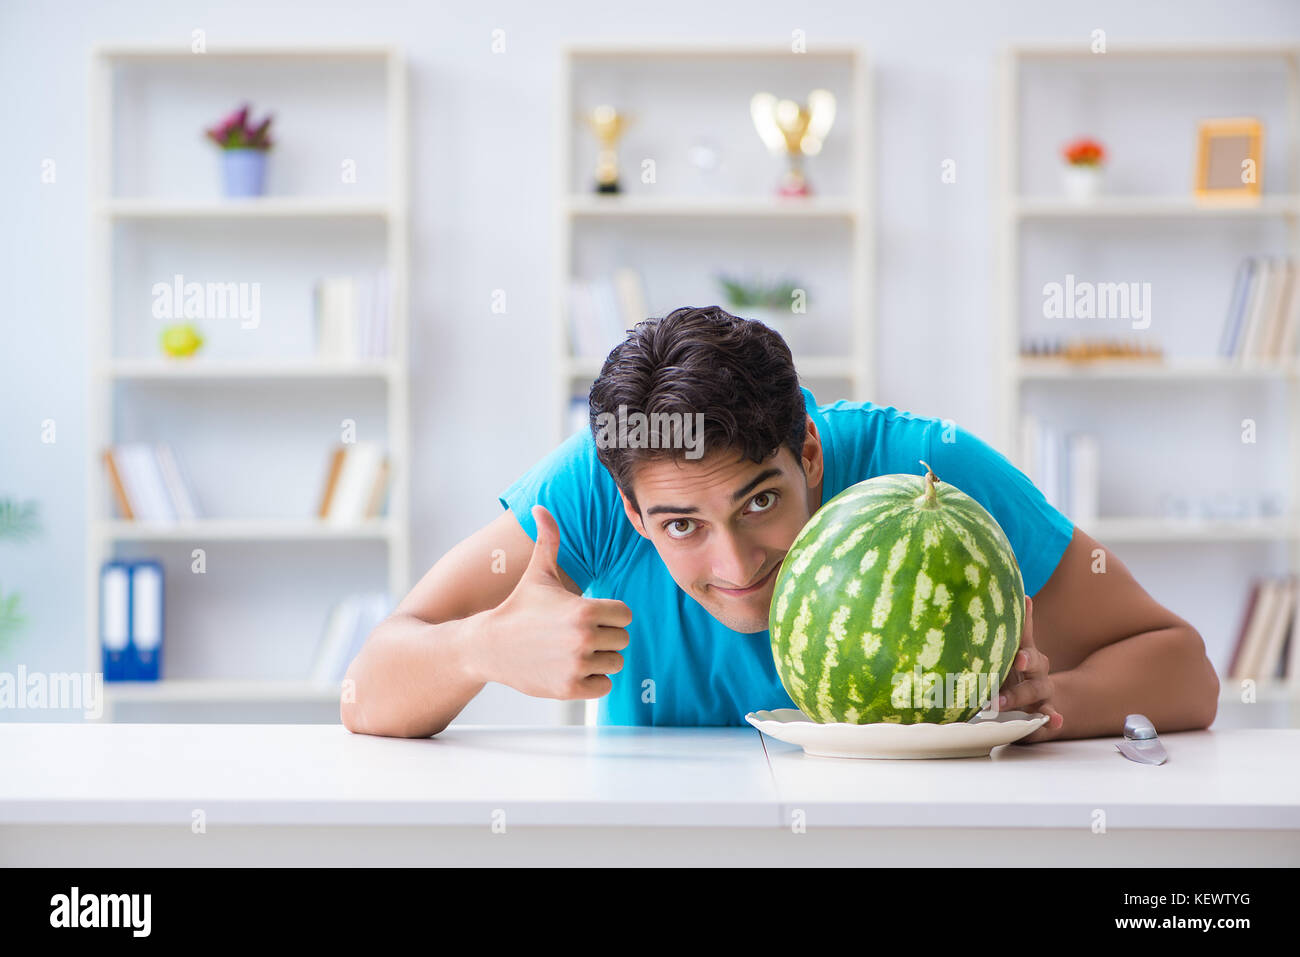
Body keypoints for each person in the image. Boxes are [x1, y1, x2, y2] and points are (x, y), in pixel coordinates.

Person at [341, 305, 1218, 740]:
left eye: (760, 501)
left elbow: (1186, 673)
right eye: (680, 524)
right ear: (628, 508)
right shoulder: (593, 483)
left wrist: (1045, 704)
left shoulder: (927, 475)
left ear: (807, 449)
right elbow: (366, 691)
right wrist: (480, 649)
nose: (736, 563)